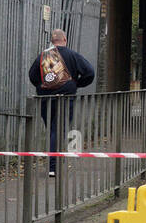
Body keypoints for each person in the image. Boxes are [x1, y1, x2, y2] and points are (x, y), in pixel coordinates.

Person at [28, 29, 96, 177]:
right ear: (64, 39)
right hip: (65, 99)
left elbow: (32, 75)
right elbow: (90, 72)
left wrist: (42, 87)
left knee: (52, 130)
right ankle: (53, 166)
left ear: (52, 41)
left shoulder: (43, 56)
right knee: (58, 130)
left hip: (46, 100)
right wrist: (76, 84)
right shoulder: (72, 55)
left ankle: (55, 160)